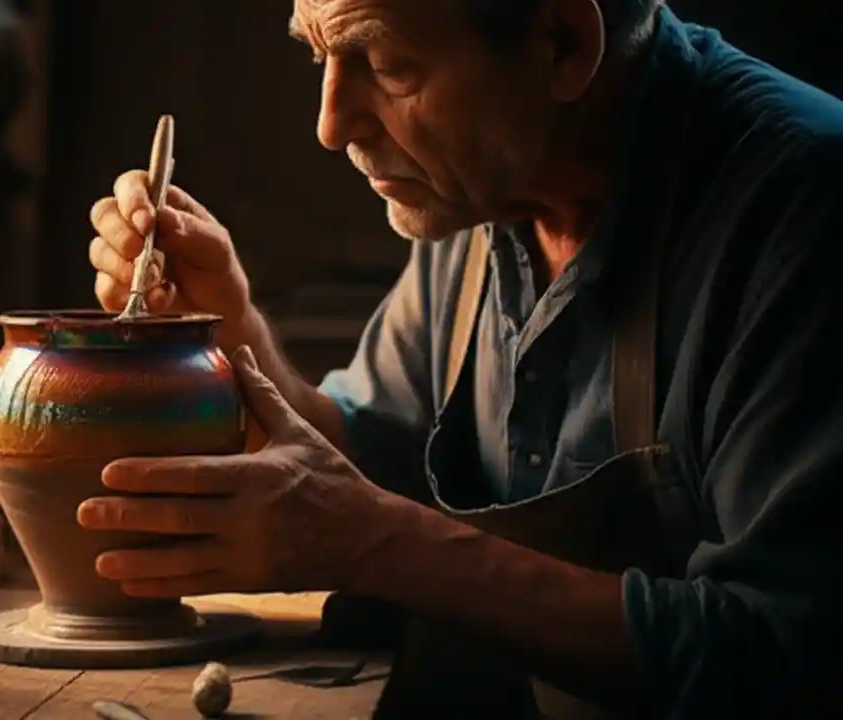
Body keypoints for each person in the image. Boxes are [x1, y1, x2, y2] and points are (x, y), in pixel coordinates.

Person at [78, 0, 843, 716]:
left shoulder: (802, 213)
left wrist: (377, 542)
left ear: (562, 45)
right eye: (319, 58)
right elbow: (361, 460)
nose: (331, 124)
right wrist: (228, 331)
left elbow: (775, 651)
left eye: (383, 62)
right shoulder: (491, 190)